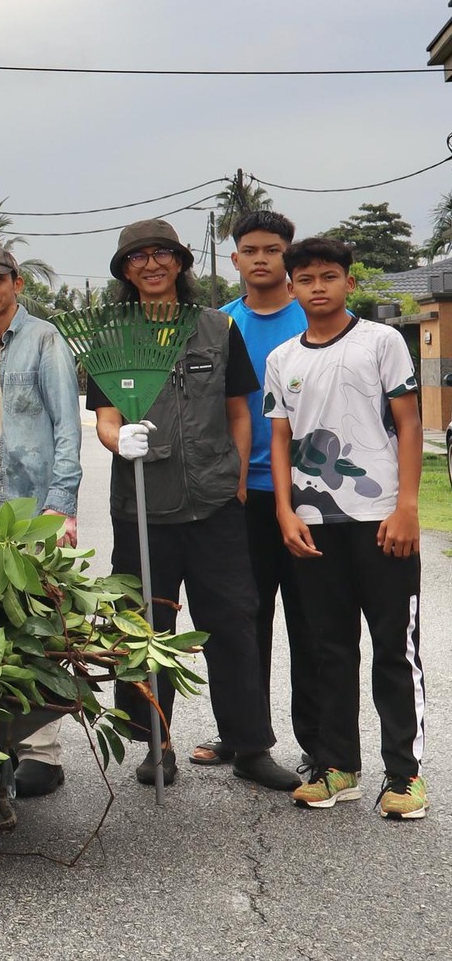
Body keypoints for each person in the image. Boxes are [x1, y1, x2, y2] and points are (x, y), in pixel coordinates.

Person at [87, 220, 299, 792]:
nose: (150, 265)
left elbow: (237, 408)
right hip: (141, 506)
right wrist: (115, 439)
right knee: (144, 627)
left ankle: (250, 745)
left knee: (232, 621)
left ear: (179, 262)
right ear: (126, 270)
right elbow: (106, 417)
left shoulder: (216, 327)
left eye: (161, 254)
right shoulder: (110, 335)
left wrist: (232, 473)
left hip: (213, 503)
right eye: (137, 258)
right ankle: (157, 745)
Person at [269, 237, 429, 820]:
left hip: (381, 518)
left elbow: (408, 425)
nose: (317, 287)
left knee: (394, 648)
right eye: (306, 278)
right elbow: (281, 438)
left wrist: (407, 505)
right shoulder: (283, 358)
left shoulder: (382, 342)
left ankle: (405, 775)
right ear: (292, 288)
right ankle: (338, 766)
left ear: (348, 283)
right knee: (327, 648)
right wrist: (286, 510)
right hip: (314, 523)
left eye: (329, 276)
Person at [0, 248, 82, 797]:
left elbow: (66, 427)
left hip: (32, 511)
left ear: (16, 283)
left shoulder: (46, 339)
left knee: (40, 627)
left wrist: (62, 503)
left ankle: (44, 753)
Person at [204, 211, 316, 776]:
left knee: (311, 621)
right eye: (250, 250)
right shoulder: (217, 325)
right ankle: (242, 737)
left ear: (288, 255)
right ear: (235, 259)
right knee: (242, 623)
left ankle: (319, 744)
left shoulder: (316, 317)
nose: (261, 259)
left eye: (273, 249)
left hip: (310, 498)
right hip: (239, 496)